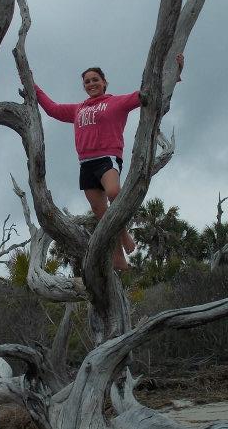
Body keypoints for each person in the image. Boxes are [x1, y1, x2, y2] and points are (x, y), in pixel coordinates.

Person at [33, 54, 184, 270]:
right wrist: (34, 88)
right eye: (87, 81)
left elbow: (148, 94)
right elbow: (53, 109)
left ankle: (124, 235)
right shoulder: (78, 109)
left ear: (104, 82)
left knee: (114, 193)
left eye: (95, 79)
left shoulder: (116, 102)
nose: (91, 84)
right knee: (100, 213)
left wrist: (175, 74)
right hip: (86, 164)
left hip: (107, 158)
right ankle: (119, 257)